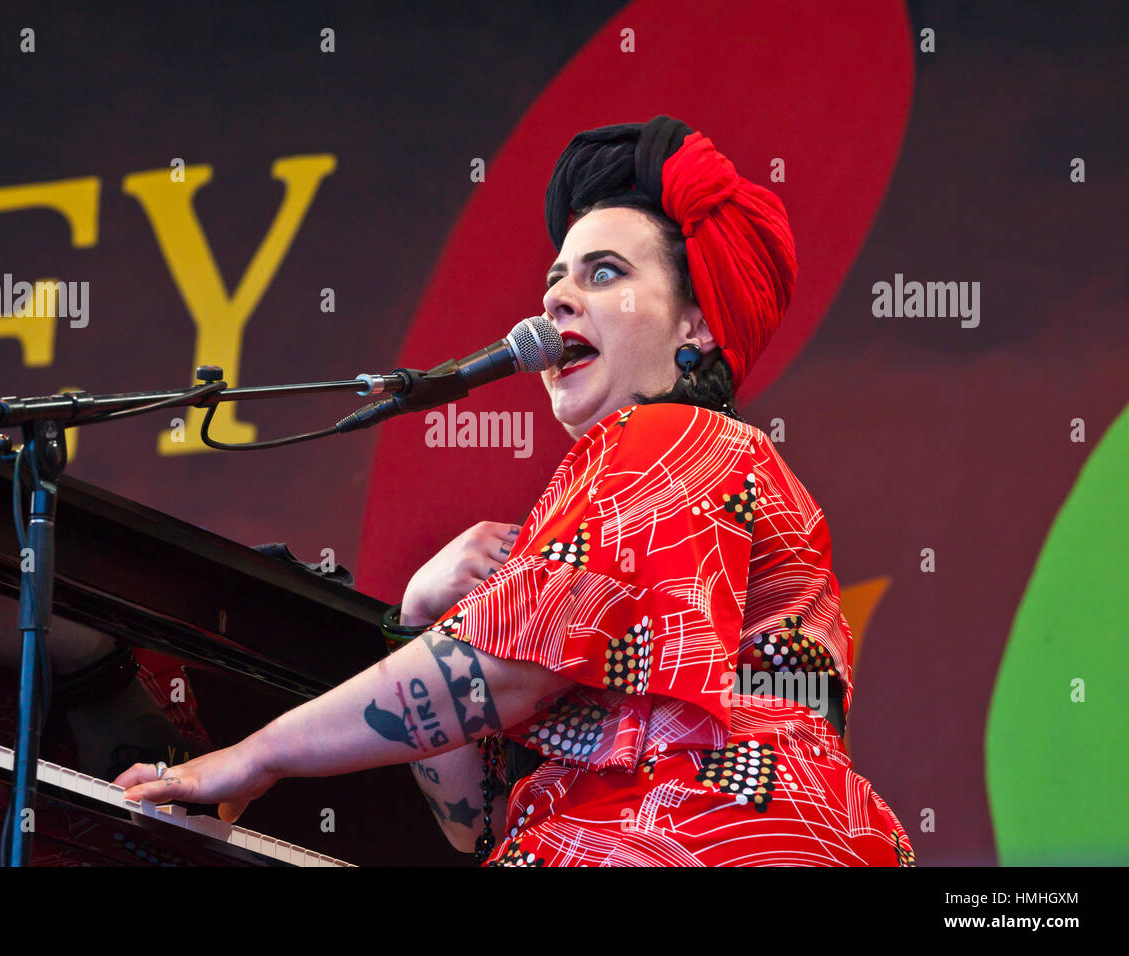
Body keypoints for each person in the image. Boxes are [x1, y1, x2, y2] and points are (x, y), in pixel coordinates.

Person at [117, 116, 915, 867]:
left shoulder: (676, 440)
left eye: (605, 274)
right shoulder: (622, 481)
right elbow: (478, 822)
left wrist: (251, 759)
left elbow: (505, 676)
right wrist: (423, 613)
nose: (558, 298)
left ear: (696, 327)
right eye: (556, 279)